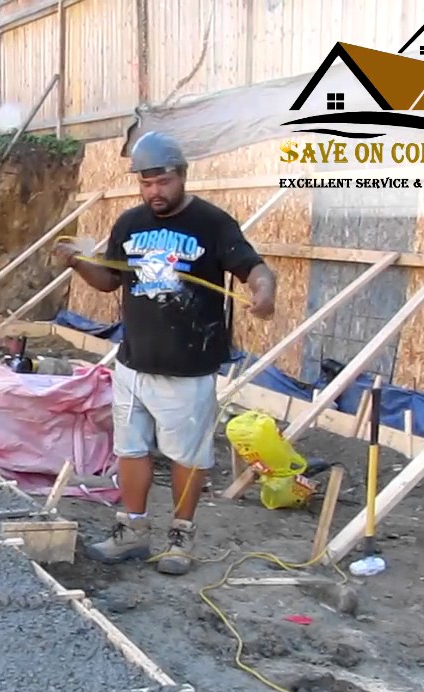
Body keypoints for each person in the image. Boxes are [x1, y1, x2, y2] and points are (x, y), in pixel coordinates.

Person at [59, 131, 277, 575]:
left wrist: (264, 292)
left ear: (182, 176)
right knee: (131, 449)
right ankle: (132, 530)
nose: (154, 191)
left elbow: (252, 267)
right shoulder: (130, 224)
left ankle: (180, 536)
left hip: (188, 365)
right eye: (146, 183)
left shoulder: (212, 223)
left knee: (186, 456)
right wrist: (76, 261)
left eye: (163, 182)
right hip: (134, 361)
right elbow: (109, 281)